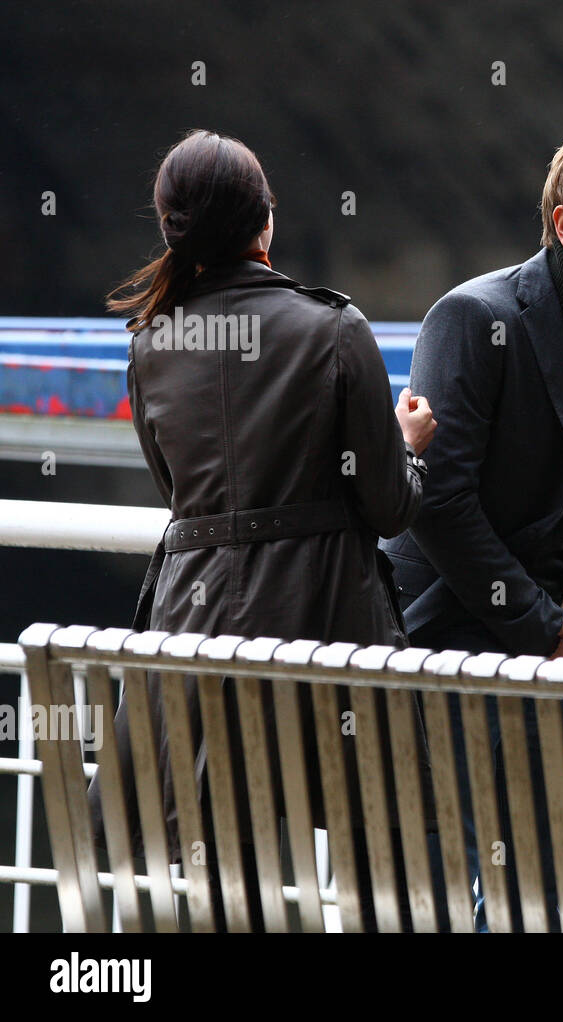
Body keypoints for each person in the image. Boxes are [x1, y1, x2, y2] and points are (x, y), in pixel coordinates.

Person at [92, 129, 437, 931]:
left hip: (192, 634)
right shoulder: (334, 330)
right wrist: (411, 445)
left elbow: (180, 494)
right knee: (370, 851)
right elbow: (389, 506)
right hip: (325, 633)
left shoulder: (151, 342)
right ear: (265, 223)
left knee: (218, 863)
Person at [380, 119, 563, 931]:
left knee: (533, 894)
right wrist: (542, 619)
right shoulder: (471, 318)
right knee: (442, 894)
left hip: (543, 650)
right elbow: (436, 499)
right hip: (438, 647)